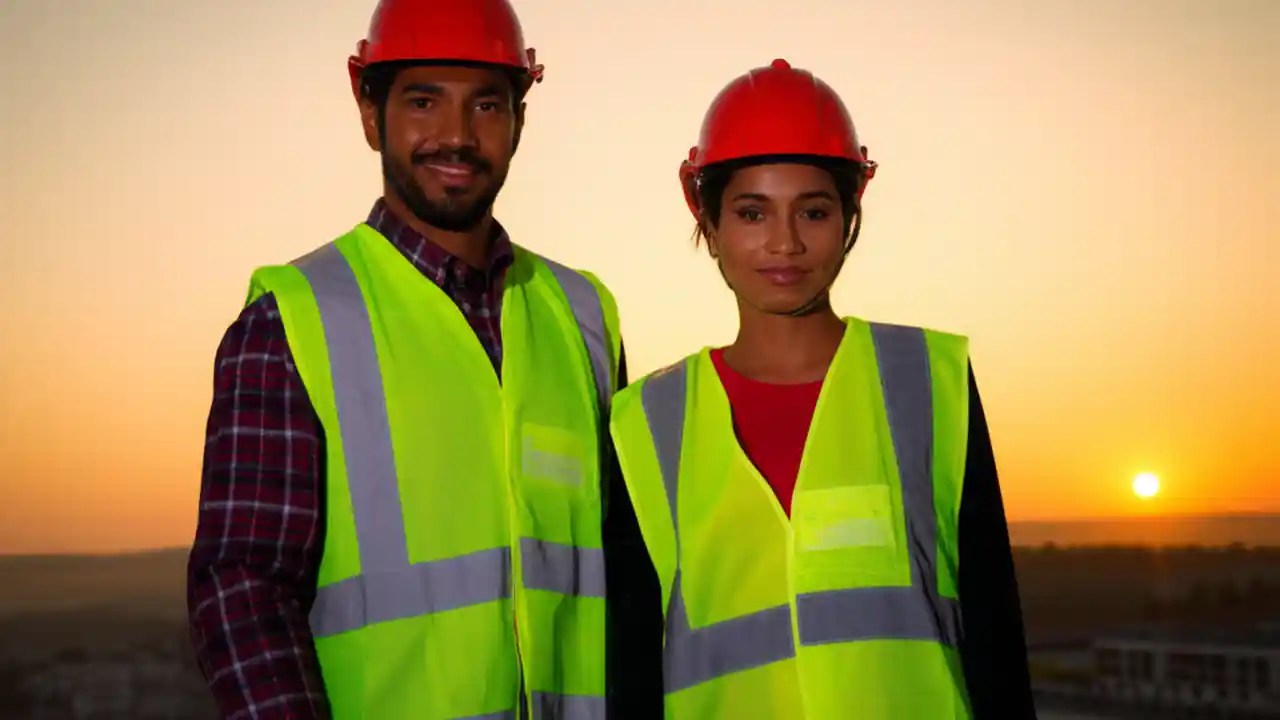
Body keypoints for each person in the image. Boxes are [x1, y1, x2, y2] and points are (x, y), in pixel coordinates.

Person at [186, 1, 628, 718]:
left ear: (519, 119)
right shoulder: (295, 320)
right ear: (371, 115)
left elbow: (622, 582)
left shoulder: (581, 315)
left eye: (486, 103)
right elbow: (243, 591)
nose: (457, 135)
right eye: (424, 101)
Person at [606, 58, 1037, 718]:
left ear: (848, 217)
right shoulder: (646, 422)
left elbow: (996, 636)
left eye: (813, 211)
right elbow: (633, 669)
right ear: (710, 224)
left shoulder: (927, 380)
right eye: (753, 212)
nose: (785, 243)